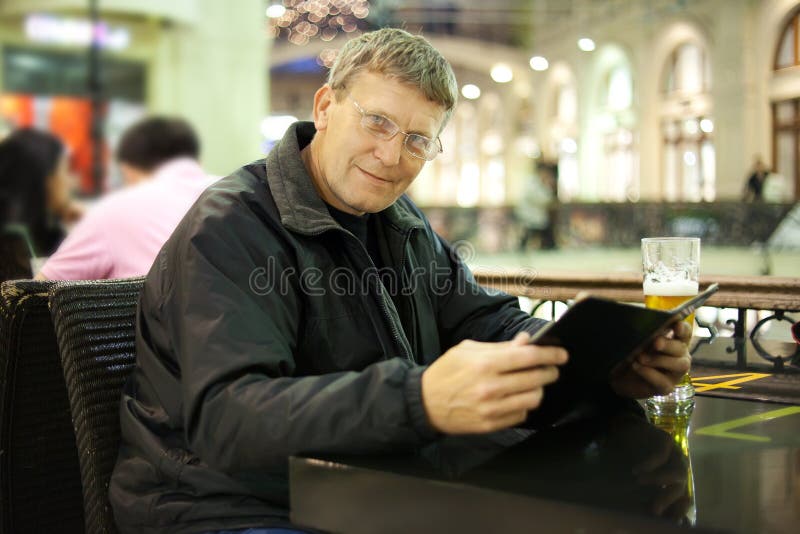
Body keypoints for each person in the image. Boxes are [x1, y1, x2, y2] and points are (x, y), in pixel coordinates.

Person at [110, 28, 691, 534]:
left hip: (367, 487)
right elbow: (229, 420)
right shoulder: (232, 224)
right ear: (325, 106)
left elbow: (480, 320)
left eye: (417, 140)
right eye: (378, 122)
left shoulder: (395, 217)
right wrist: (419, 400)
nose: (391, 156)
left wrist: (599, 364)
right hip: (221, 505)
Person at [36, 117, 218, 280]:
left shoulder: (113, 211)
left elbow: (37, 294)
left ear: (127, 170)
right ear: (197, 162)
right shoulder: (229, 191)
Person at [0, 128, 79, 258]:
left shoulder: (18, 235)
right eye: (66, 170)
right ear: (47, 181)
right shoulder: (29, 246)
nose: (71, 182)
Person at [516, 160, 557, 251]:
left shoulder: (541, 182)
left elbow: (548, 198)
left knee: (543, 232)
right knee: (531, 231)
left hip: (537, 215)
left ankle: (549, 247)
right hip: (529, 214)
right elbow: (540, 199)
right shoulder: (531, 182)